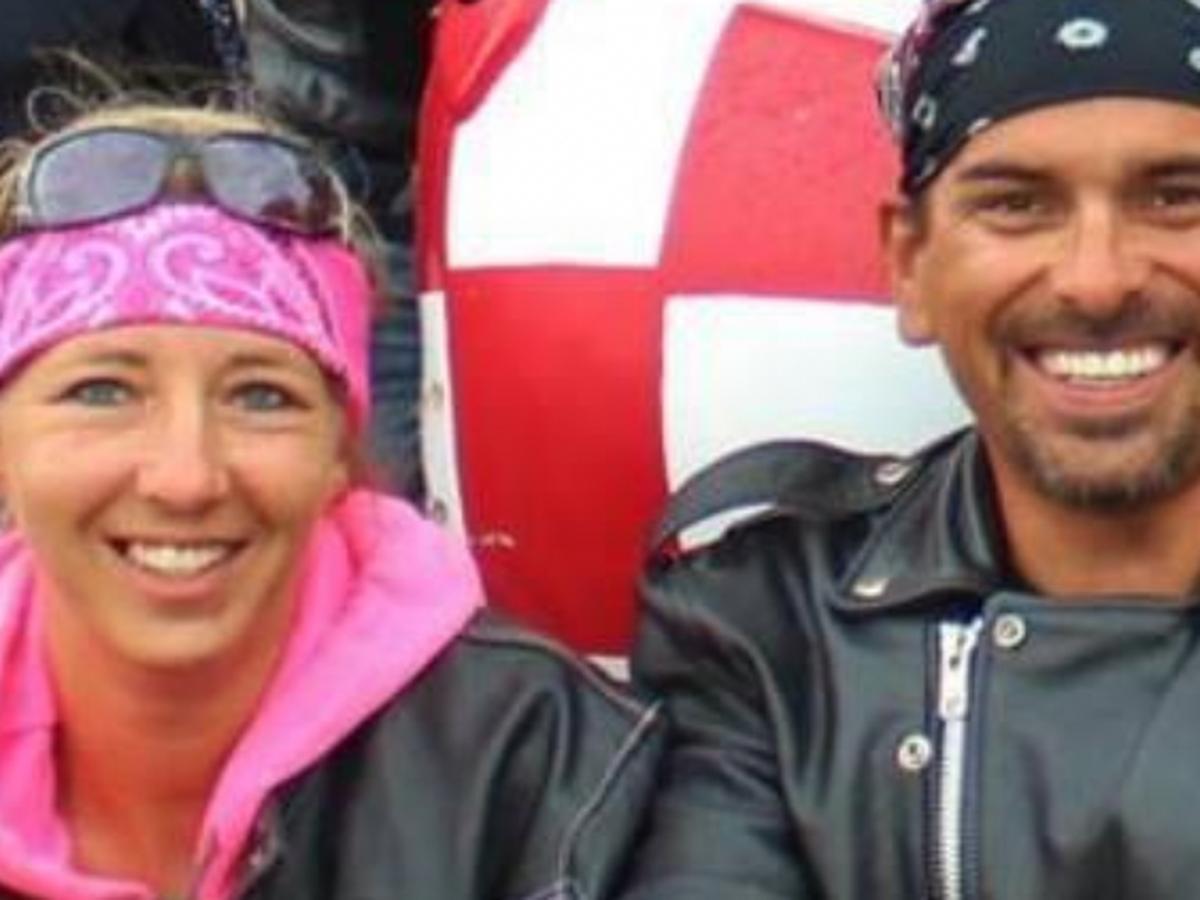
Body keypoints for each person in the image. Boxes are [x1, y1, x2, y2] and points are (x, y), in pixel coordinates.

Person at [0, 98, 662, 900]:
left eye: (261, 398)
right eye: (102, 393)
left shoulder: (542, 775)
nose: (185, 478)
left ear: (339, 458)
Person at [619, 0, 1200, 897]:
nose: (1098, 279)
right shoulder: (772, 623)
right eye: (1017, 205)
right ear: (910, 266)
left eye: (1176, 198)